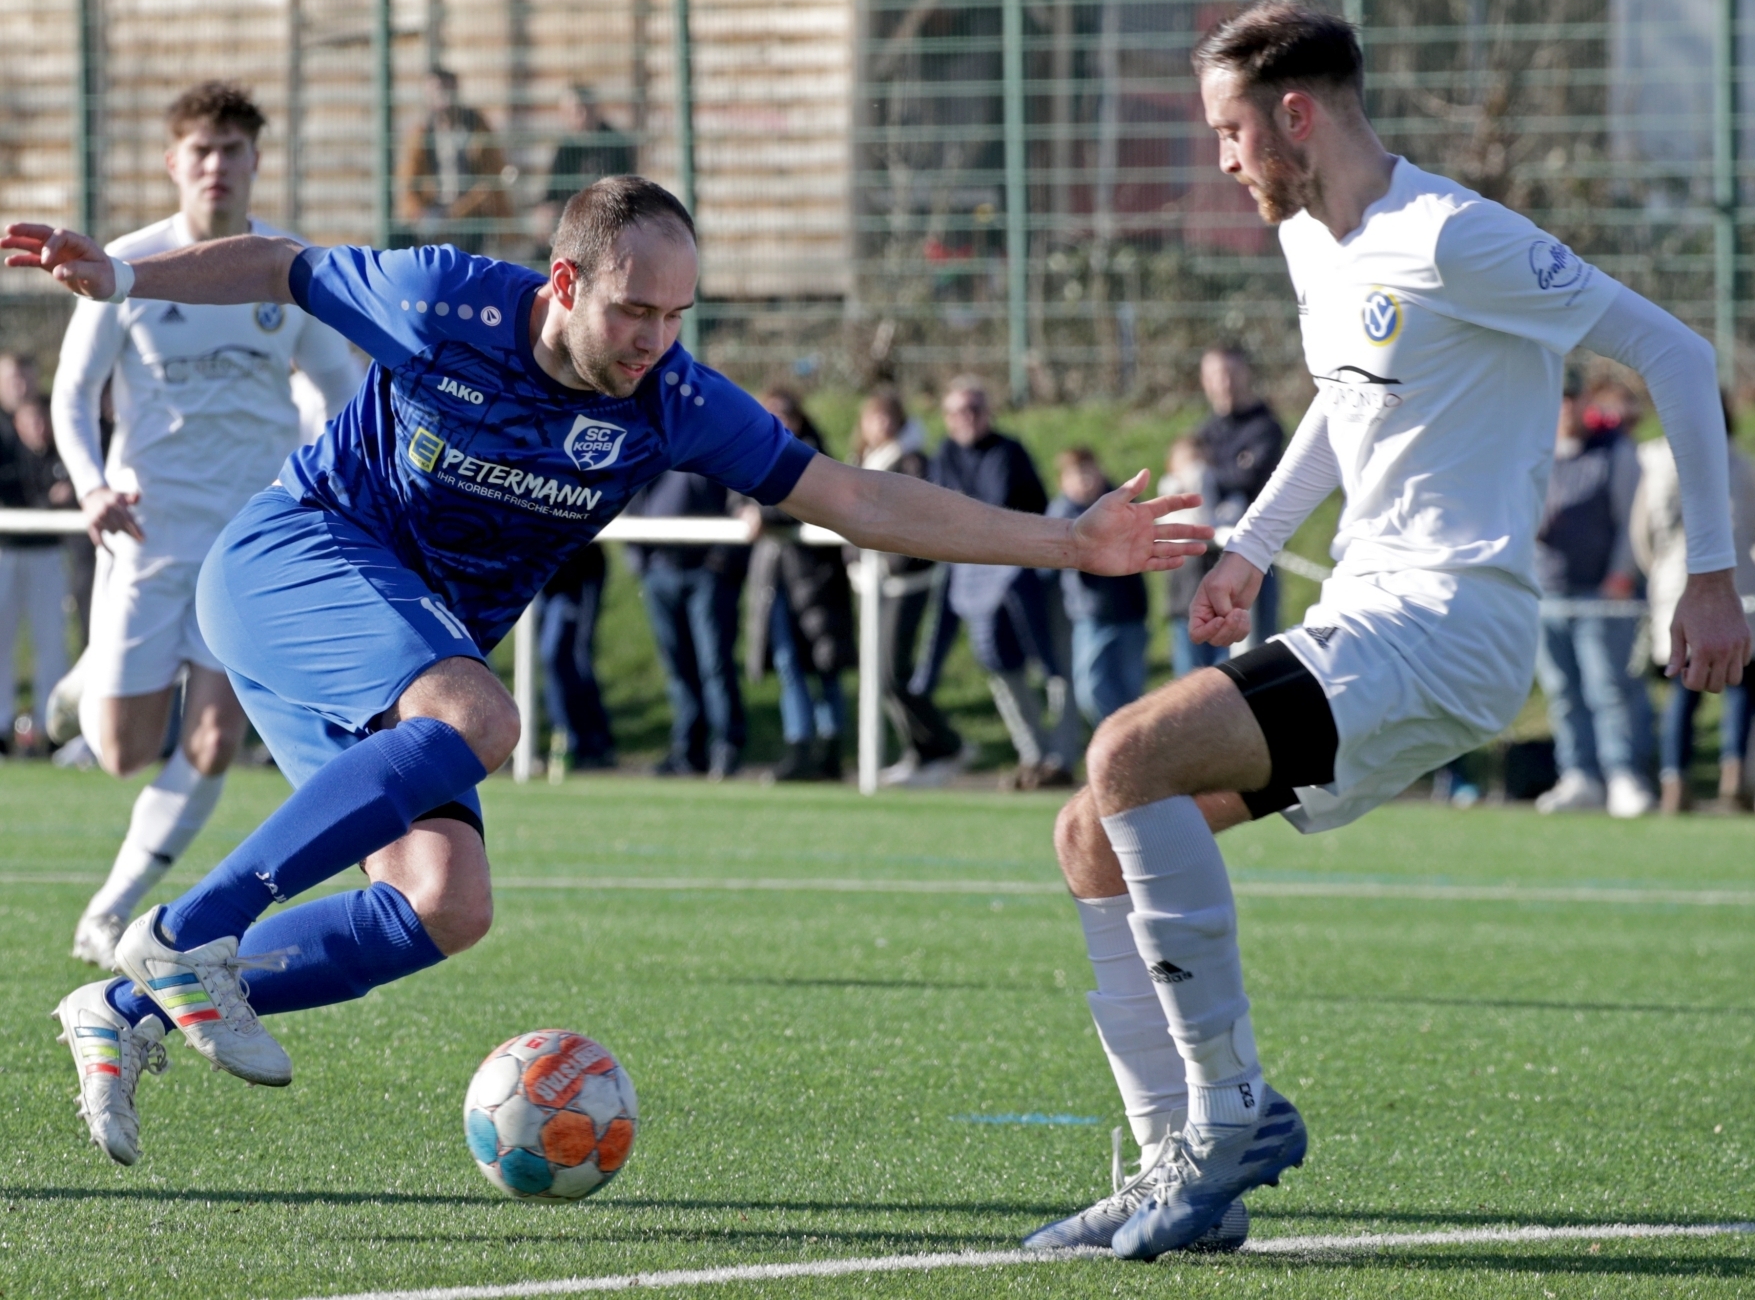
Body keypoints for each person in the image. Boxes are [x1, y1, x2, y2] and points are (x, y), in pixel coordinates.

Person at [9, 173, 1204, 1168]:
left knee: (444, 905)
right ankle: (182, 937)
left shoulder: (671, 401)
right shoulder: (443, 302)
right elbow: (280, 264)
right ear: (566, 285)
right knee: (481, 713)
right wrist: (121, 275)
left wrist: (1065, 542)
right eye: (636, 310)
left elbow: (852, 496)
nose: (655, 340)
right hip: (294, 564)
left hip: (396, 650)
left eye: (678, 315)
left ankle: (117, 1011)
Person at [1026, 0, 1747, 1262]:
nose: (1222, 157)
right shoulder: (1316, 235)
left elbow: (1679, 354)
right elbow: (1342, 399)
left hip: (1453, 620)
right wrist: (1249, 547)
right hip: (1371, 607)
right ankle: (1176, 1169)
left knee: (1127, 755)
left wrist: (1712, 574)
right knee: (1093, 834)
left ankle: (1232, 1109)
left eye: (1229, 129)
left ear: (1296, 113)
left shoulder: (1455, 233)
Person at [47, 82, 360, 970]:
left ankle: (110, 910)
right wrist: (90, 484)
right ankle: (81, 686)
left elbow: (338, 392)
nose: (217, 165)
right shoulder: (127, 265)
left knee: (217, 735)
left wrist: (338, 489)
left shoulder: (281, 270)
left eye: (234, 149)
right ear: (172, 162)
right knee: (120, 751)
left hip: (250, 538)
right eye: (202, 150)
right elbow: (74, 395)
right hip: (147, 534)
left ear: (256, 162)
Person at [931, 378, 1082, 790]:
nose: (969, 418)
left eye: (975, 409)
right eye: (959, 411)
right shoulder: (944, 454)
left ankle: (1062, 759)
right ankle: (1031, 754)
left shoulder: (1008, 451)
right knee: (998, 666)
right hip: (980, 581)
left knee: (1056, 665)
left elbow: (988, 512)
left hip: (1033, 575)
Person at [1531, 370, 1655, 816]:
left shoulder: (1615, 450)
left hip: (1603, 593)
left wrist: (1621, 574)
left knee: (1610, 687)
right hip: (1547, 591)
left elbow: (1631, 520)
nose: (1564, 409)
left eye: (1571, 399)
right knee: (1563, 689)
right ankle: (1579, 774)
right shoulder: (1533, 449)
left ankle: (1623, 773)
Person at [1634, 391, 1755, 814]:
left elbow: (1642, 534)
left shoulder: (1656, 460)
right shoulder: (1741, 464)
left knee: (1682, 690)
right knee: (1739, 687)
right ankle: (1733, 773)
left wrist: (1661, 571)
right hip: (1736, 590)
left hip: (1675, 590)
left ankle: (1674, 780)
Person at [850, 388, 965, 787]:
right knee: (879, 674)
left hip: (906, 583)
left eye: (887, 416)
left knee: (891, 674)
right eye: (873, 416)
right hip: (871, 583)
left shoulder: (912, 461)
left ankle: (944, 747)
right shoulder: (862, 461)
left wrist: (892, 558)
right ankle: (921, 751)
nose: (880, 424)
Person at [743, 389, 854, 783]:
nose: (778, 418)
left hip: (815, 580)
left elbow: (805, 501)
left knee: (824, 667)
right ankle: (800, 745)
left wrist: (765, 516)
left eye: (785, 412)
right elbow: (735, 497)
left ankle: (829, 749)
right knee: (789, 664)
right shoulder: (746, 447)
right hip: (774, 580)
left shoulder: (813, 452)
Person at [624, 469, 748, 780]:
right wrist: (642, 563)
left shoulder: (714, 442)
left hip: (707, 572)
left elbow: (739, 501)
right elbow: (631, 497)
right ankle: (688, 751)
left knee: (714, 664)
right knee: (678, 666)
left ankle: (726, 746)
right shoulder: (653, 443)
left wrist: (722, 560)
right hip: (660, 571)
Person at [1050, 448, 1149, 725]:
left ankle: (1135, 741)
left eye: (1088, 471)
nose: (1084, 480)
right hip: (1090, 616)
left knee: (1132, 689)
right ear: (1062, 482)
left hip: (1130, 612)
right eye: (1075, 474)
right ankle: (1117, 732)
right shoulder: (1061, 513)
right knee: (1091, 689)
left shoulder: (1123, 505)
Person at [0, 392, 74, 754]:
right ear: (17, 423)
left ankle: (51, 731)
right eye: (31, 420)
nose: (39, 428)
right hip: (6, 553)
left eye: (43, 420)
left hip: (48, 555)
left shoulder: (63, 458)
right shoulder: (8, 456)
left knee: (51, 642)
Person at [1196, 346, 1284, 647]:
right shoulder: (1204, 431)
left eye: (1231, 374)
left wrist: (1208, 474)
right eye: (1216, 376)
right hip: (1202, 562)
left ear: (1246, 375)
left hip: (1254, 558)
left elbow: (1245, 479)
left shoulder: (1266, 429)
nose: (1224, 383)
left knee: (1250, 659)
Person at [397, 67, 513, 252]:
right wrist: (419, 212)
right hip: (431, 213)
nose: (440, 95)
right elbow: (408, 180)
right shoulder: (421, 132)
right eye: (433, 90)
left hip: (469, 213)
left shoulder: (476, 126)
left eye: (444, 89)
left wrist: (453, 214)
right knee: (398, 240)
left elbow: (490, 179)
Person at [538, 543, 614, 776]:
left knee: (570, 656)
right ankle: (566, 739)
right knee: (550, 658)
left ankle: (591, 742)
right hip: (540, 573)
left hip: (578, 570)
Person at [1159, 434, 1222, 678]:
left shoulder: (1219, 490)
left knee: (1219, 666)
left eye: (1199, 461)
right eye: (1188, 461)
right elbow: (1198, 519)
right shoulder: (1168, 493)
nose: (1196, 468)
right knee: (1188, 669)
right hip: (1183, 600)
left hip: (1216, 599)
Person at [537, 86, 637, 235]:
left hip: (606, 220)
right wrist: (546, 211)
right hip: (571, 219)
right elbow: (552, 193)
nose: (581, 116)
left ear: (595, 109)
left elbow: (622, 192)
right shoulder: (565, 147)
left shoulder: (615, 143)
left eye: (584, 109)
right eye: (573, 112)